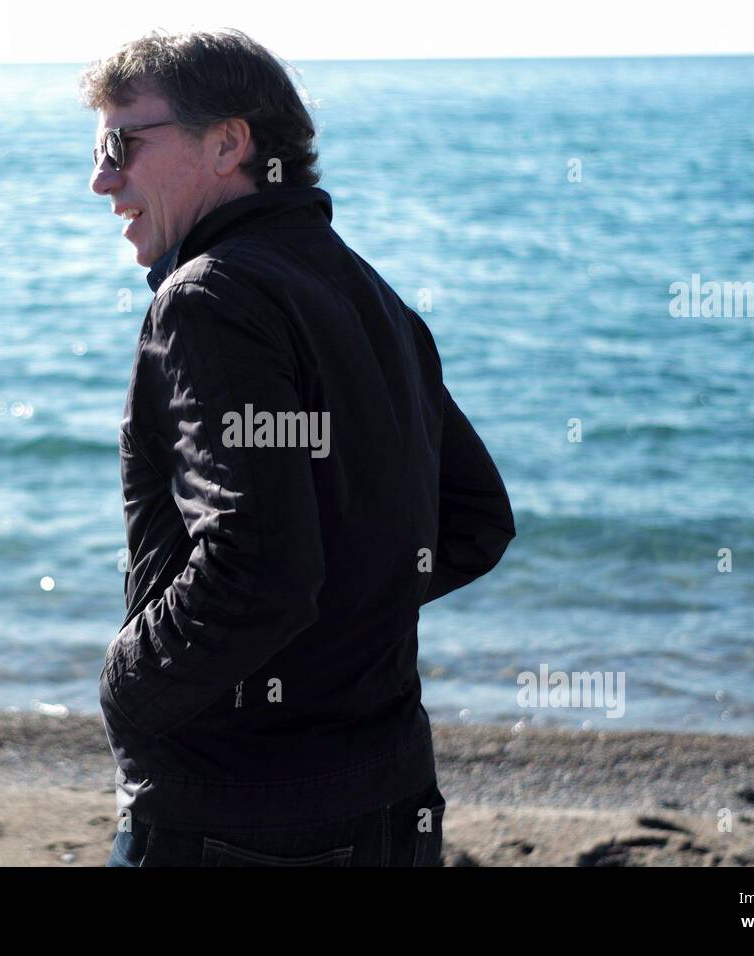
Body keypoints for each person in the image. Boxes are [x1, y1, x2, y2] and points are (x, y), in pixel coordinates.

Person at [83, 28, 515, 866]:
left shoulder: (208, 298)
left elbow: (263, 565)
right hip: (389, 797)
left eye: (121, 144)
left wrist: (130, 686)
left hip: (234, 816)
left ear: (228, 142)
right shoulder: (367, 291)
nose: (101, 177)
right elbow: (470, 522)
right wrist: (341, 639)